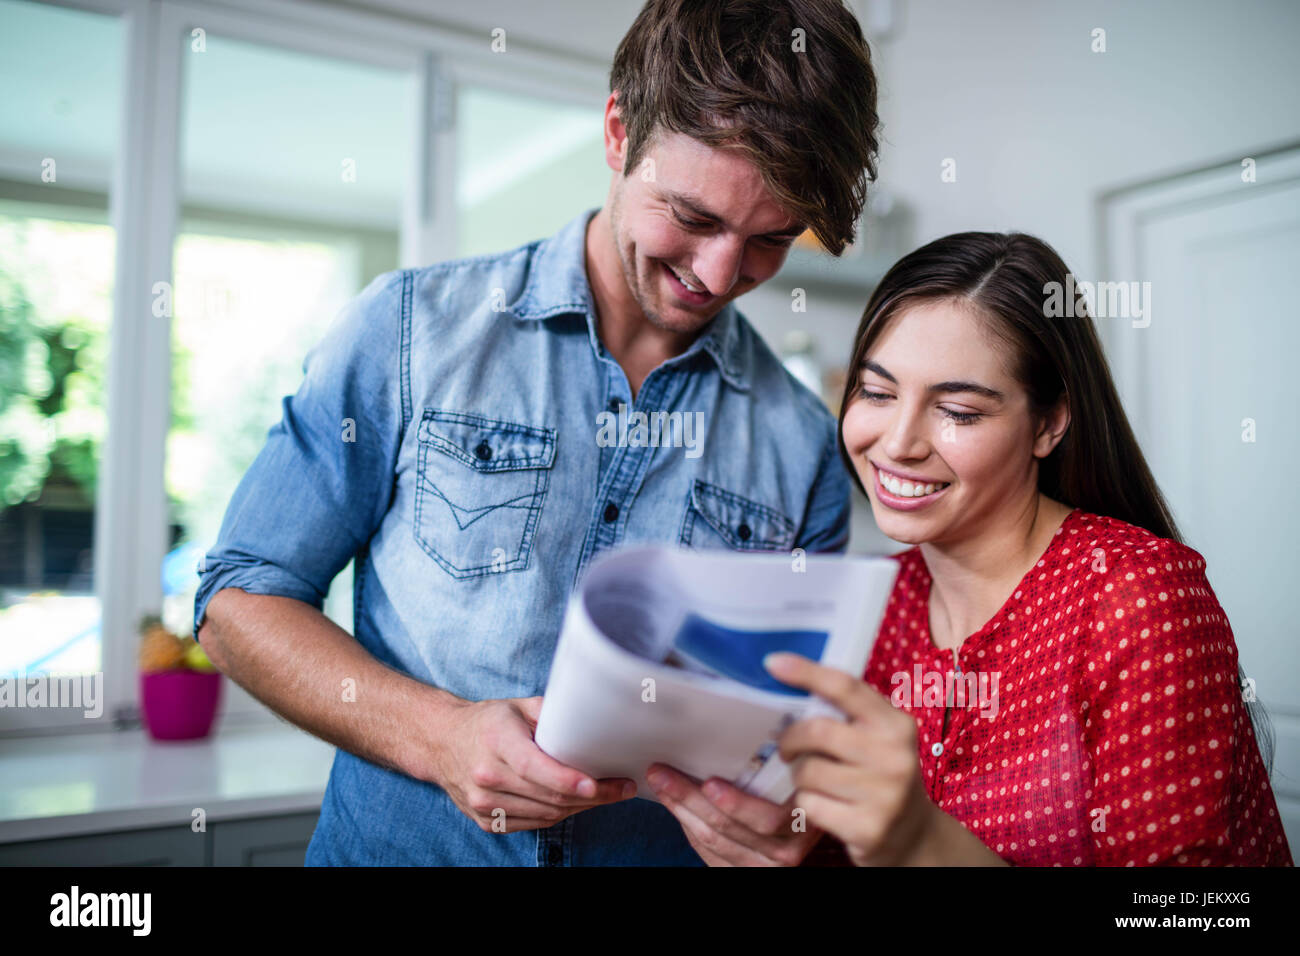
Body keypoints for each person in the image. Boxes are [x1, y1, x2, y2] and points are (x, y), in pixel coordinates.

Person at [192, 0, 880, 866]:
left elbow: (791, 747)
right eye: (694, 218)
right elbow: (238, 600)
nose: (719, 274)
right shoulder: (408, 330)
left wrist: (788, 829)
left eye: (771, 240)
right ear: (618, 132)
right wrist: (436, 735)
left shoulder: (805, 443)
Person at [648, 231, 1294, 867]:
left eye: (957, 410)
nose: (897, 442)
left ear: (1049, 423)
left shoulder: (1134, 597)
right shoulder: (865, 601)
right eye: (875, 392)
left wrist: (924, 845)